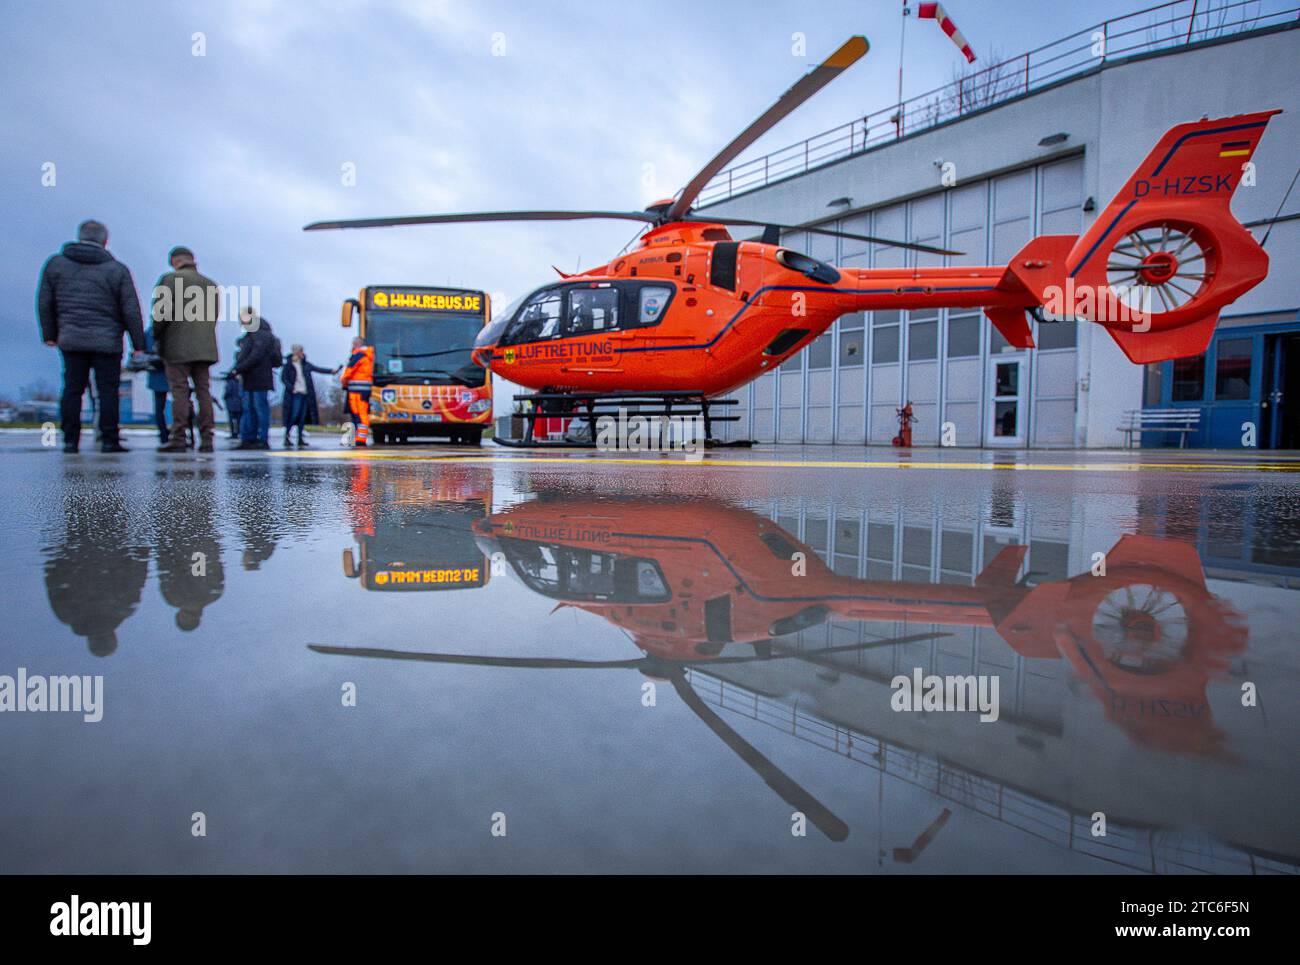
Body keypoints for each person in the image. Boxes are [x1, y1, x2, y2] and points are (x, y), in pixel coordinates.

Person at [36, 219, 146, 453]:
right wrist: (138, 344)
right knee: (108, 390)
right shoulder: (117, 269)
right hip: (107, 341)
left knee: (73, 388)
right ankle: (109, 439)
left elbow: (44, 301)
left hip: (71, 337)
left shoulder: (56, 265)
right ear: (105, 241)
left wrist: (50, 334)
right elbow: (130, 309)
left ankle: (70, 440)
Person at [152, 245, 220, 453]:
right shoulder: (211, 284)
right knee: (204, 392)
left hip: (177, 346)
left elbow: (160, 315)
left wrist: (156, 336)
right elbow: (214, 317)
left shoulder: (169, 280)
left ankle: (179, 437)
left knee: (179, 392)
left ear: (174, 261)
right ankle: (207, 438)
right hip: (205, 347)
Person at [231, 307, 279, 450]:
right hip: (249, 377)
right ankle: (249, 438)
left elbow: (255, 356)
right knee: (249, 408)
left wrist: (238, 369)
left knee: (258, 408)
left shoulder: (261, 335)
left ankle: (261, 439)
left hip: (259, 378)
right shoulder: (252, 335)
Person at [280, 344, 338, 448]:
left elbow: (318, 369)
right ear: (296, 352)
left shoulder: (306, 365)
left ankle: (300, 438)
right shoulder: (288, 365)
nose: (303, 353)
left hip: (305, 394)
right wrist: (291, 388)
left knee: (302, 417)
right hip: (295, 394)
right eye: (301, 351)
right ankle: (287, 436)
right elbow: (283, 378)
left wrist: (331, 371)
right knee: (294, 415)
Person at [339, 336, 375, 447]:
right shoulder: (368, 355)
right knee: (360, 413)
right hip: (363, 389)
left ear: (357, 344)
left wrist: (343, 381)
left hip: (356, 389)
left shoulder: (359, 354)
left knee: (358, 414)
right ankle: (360, 437)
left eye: (353, 344)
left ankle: (360, 438)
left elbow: (349, 370)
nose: (352, 346)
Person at [143, 326, 171, 444]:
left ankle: (163, 433)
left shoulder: (150, 332)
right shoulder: (170, 329)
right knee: (182, 400)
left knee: (159, 406)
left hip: (156, 371)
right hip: (171, 368)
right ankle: (181, 432)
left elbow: (144, 349)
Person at [222, 370, 243, 439]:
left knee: (232, 421)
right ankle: (239, 432)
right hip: (239, 405)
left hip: (231, 405)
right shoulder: (239, 383)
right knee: (239, 420)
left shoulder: (230, 383)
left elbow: (227, 392)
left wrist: (224, 397)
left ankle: (234, 434)